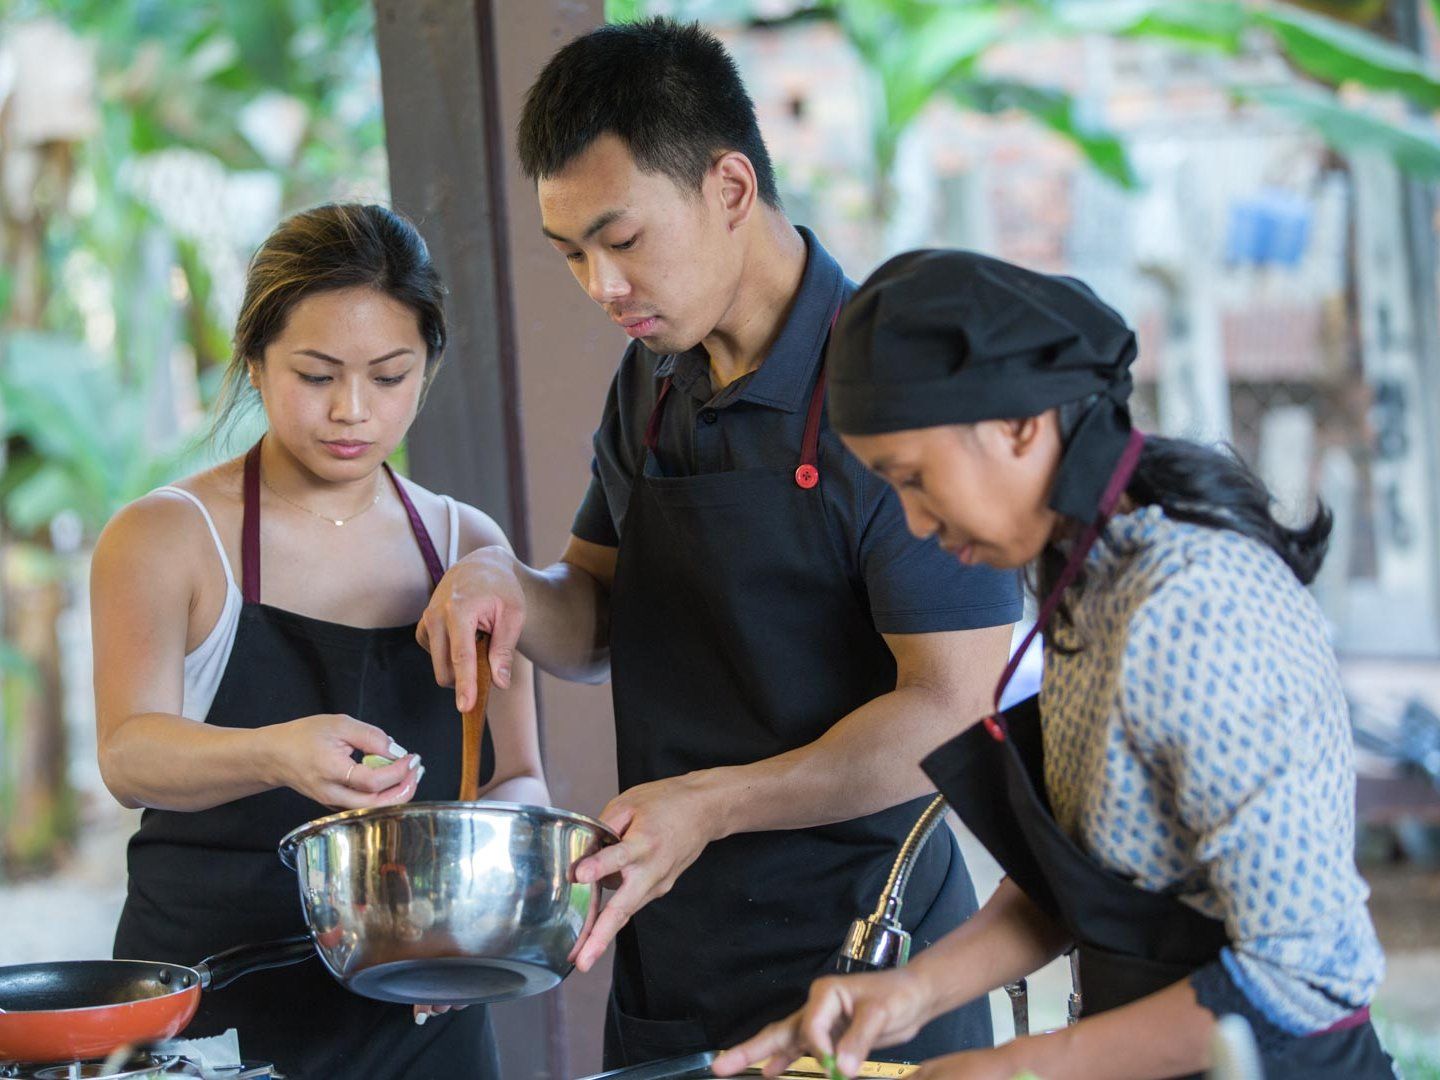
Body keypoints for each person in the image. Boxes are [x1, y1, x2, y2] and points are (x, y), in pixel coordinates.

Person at [417, 18, 1022, 1070]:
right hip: (676, 949)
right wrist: (504, 585)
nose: (602, 287)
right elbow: (597, 608)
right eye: (571, 255)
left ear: (731, 189)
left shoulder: (900, 384)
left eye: (623, 239)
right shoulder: (653, 374)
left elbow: (954, 705)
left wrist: (721, 802)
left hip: (863, 957)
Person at [714, 249, 1394, 1080]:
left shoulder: (1196, 606)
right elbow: (1083, 884)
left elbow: (1306, 976)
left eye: (916, 480)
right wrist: (913, 993)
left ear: (1019, 425)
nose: (916, 524)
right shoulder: (1090, 578)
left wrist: (1022, 1066)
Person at [91, 203, 547, 1079]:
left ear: (429, 370)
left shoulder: (466, 547)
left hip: (421, 1011)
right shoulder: (167, 536)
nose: (352, 411)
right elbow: (127, 755)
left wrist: (466, 918)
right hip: (214, 1005)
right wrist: (277, 754)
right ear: (256, 363)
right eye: (316, 374)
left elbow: (516, 774)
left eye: (388, 376)